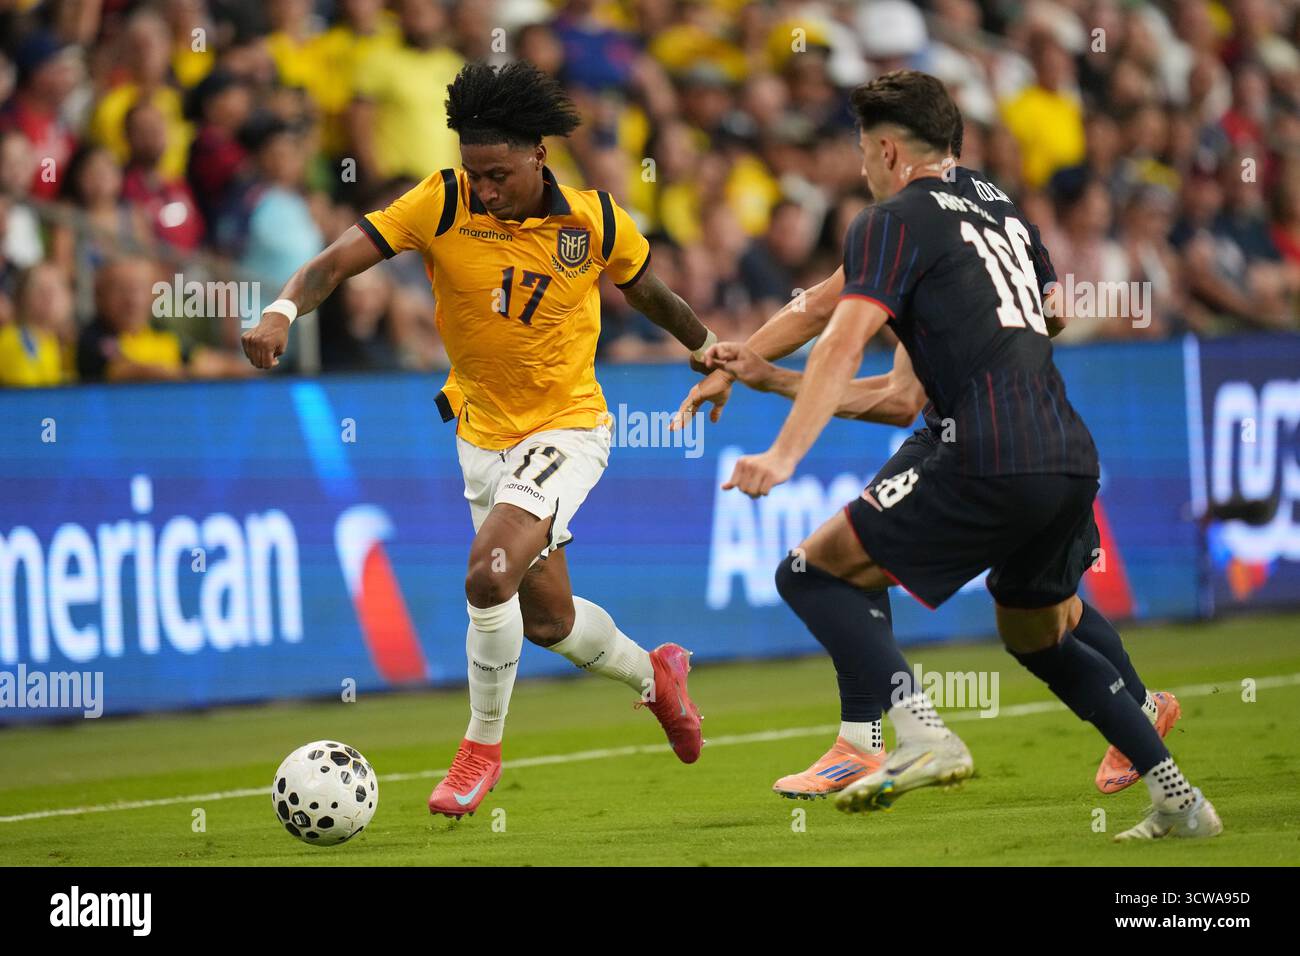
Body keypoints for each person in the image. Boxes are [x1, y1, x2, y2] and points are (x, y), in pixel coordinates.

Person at [702, 70, 1219, 841]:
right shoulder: (1002, 212)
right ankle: (1182, 803)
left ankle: (918, 735)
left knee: (811, 571)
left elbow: (841, 334)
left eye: (860, 149)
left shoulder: (892, 218)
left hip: (986, 448)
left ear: (884, 148)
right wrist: (751, 366)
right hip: (1067, 449)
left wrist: (783, 454)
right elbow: (1026, 322)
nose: (862, 166)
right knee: (1037, 635)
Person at [241, 61, 719, 819]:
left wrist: (711, 348)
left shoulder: (593, 219)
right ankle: (657, 677)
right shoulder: (440, 201)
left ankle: (479, 750)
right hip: (481, 437)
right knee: (549, 621)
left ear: (538, 154)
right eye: (476, 172)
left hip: (569, 427)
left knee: (488, 575)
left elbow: (650, 291)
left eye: (498, 173)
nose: (486, 188)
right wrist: (280, 312)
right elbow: (334, 264)